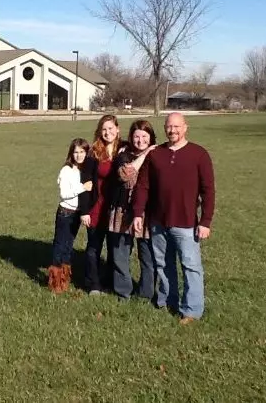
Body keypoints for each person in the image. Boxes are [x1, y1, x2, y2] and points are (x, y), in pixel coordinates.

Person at [132, 112, 215, 325]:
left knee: (191, 266)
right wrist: (138, 213)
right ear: (164, 128)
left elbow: (208, 191)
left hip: (187, 223)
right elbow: (143, 186)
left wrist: (205, 221)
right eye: (169, 127)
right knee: (163, 264)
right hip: (158, 222)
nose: (172, 131)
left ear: (185, 127)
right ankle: (167, 301)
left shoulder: (199, 154)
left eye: (177, 126)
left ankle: (192, 310)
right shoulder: (156, 154)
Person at [109, 120, 157, 300]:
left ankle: (146, 293)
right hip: (122, 211)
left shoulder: (157, 154)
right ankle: (124, 291)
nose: (140, 140)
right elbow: (125, 175)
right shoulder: (122, 155)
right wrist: (145, 154)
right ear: (131, 138)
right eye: (136, 136)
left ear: (151, 137)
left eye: (145, 136)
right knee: (120, 255)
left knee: (148, 256)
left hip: (146, 212)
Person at [78, 114, 124, 295]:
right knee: (94, 247)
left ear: (117, 129)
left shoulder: (125, 149)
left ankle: (112, 281)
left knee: (116, 249)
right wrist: (84, 210)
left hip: (116, 209)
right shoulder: (94, 153)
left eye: (111, 128)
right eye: (104, 129)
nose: (108, 132)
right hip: (97, 207)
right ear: (99, 132)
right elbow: (85, 183)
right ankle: (94, 284)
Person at [48, 138, 92, 294]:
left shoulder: (84, 169)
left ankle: (64, 278)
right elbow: (64, 194)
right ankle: (55, 282)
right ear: (71, 153)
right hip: (65, 213)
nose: (79, 155)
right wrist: (82, 187)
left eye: (82, 152)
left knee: (68, 247)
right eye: (76, 152)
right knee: (60, 246)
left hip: (76, 214)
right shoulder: (66, 170)